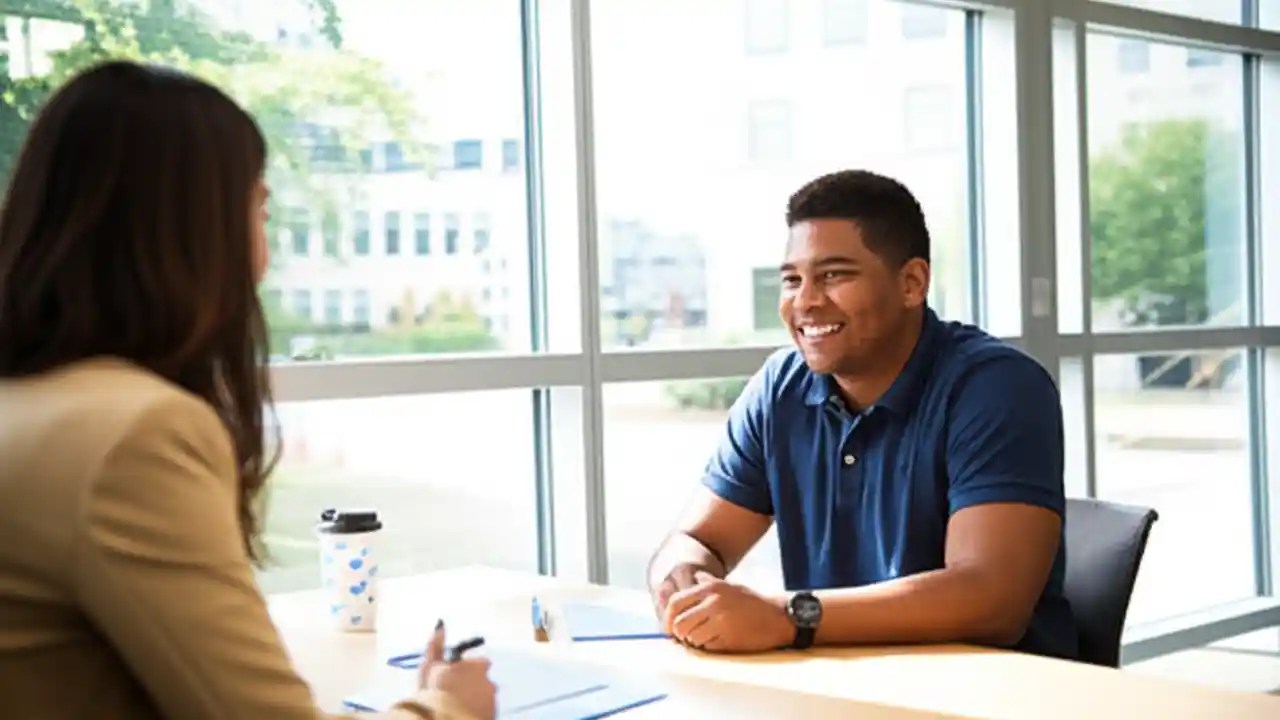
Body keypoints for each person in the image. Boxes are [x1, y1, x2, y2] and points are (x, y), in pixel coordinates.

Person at [0, 61, 495, 719]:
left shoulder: (29, 405)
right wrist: (445, 706)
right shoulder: (134, 435)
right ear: (189, 228)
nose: (264, 255)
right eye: (258, 209)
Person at [646, 170, 1077, 660]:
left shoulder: (997, 387)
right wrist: (681, 578)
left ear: (912, 283)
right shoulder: (779, 388)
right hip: (843, 685)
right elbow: (698, 539)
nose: (804, 301)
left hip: (996, 695)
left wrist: (788, 616)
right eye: (791, 279)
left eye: (833, 275)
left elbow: (993, 601)